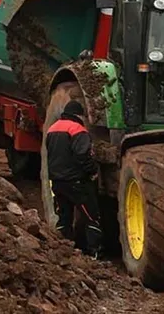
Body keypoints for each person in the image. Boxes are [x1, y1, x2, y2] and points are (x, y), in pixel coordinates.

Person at [45, 100, 103, 258]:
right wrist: (92, 171)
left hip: (57, 182)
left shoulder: (52, 128)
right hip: (76, 183)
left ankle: (63, 252)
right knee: (92, 217)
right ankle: (94, 254)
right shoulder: (77, 129)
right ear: (78, 115)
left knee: (64, 217)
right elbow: (82, 155)